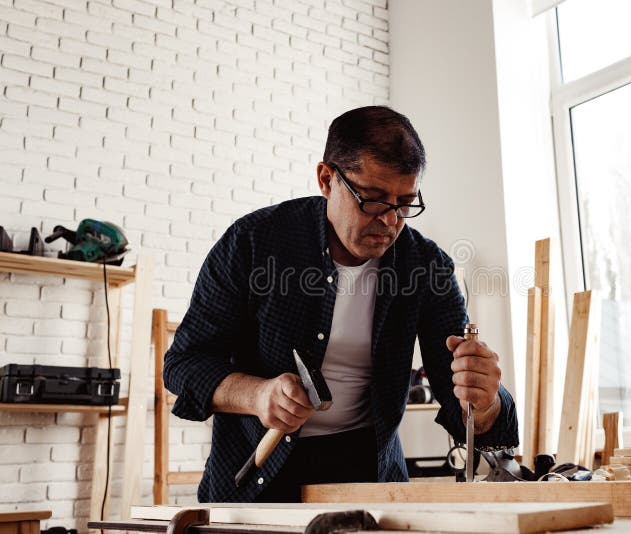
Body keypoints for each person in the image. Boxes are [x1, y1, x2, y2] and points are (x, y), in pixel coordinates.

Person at [163, 105, 519, 502]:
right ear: (326, 179)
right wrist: (258, 395)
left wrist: (484, 401)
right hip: (256, 481)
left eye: (405, 203)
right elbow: (183, 366)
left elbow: (467, 411)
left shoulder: (427, 267)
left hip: (369, 479)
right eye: (372, 200)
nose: (390, 221)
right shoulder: (253, 243)